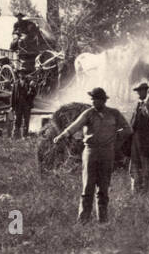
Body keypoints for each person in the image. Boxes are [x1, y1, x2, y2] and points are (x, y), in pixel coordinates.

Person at [54, 88, 132, 224]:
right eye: (92, 98)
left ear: (103, 100)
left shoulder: (114, 114)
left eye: (95, 99)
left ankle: (103, 220)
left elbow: (128, 129)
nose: (93, 101)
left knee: (104, 187)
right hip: (91, 152)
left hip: (107, 153)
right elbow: (75, 126)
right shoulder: (88, 113)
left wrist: (115, 137)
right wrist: (62, 136)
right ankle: (83, 220)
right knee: (88, 186)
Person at [9, 68, 37, 139]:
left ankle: (24, 136)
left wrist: (32, 89)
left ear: (25, 74)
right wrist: (12, 106)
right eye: (20, 73)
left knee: (26, 121)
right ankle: (15, 136)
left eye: (23, 73)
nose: (22, 74)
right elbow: (13, 95)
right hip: (18, 105)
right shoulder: (15, 83)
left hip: (26, 105)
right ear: (18, 74)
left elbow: (34, 94)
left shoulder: (29, 83)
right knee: (17, 120)